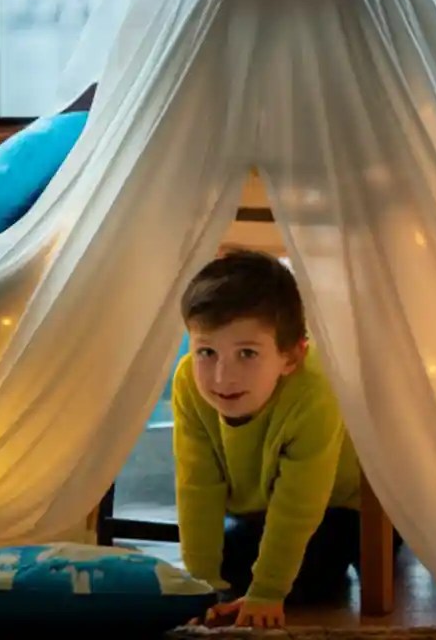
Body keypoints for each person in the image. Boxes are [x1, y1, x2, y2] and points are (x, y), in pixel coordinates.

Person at [172, 250, 362, 629]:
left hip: (338, 508)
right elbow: (198, 486)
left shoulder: (312, 390)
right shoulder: (188, 383)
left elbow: (299, 503)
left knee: (311, 575)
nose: (223, 377)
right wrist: (200, 588)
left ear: (291, 358)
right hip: (254, 509)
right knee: (229, 563)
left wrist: (269, 591)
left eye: (247, 353)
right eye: (206, 352)